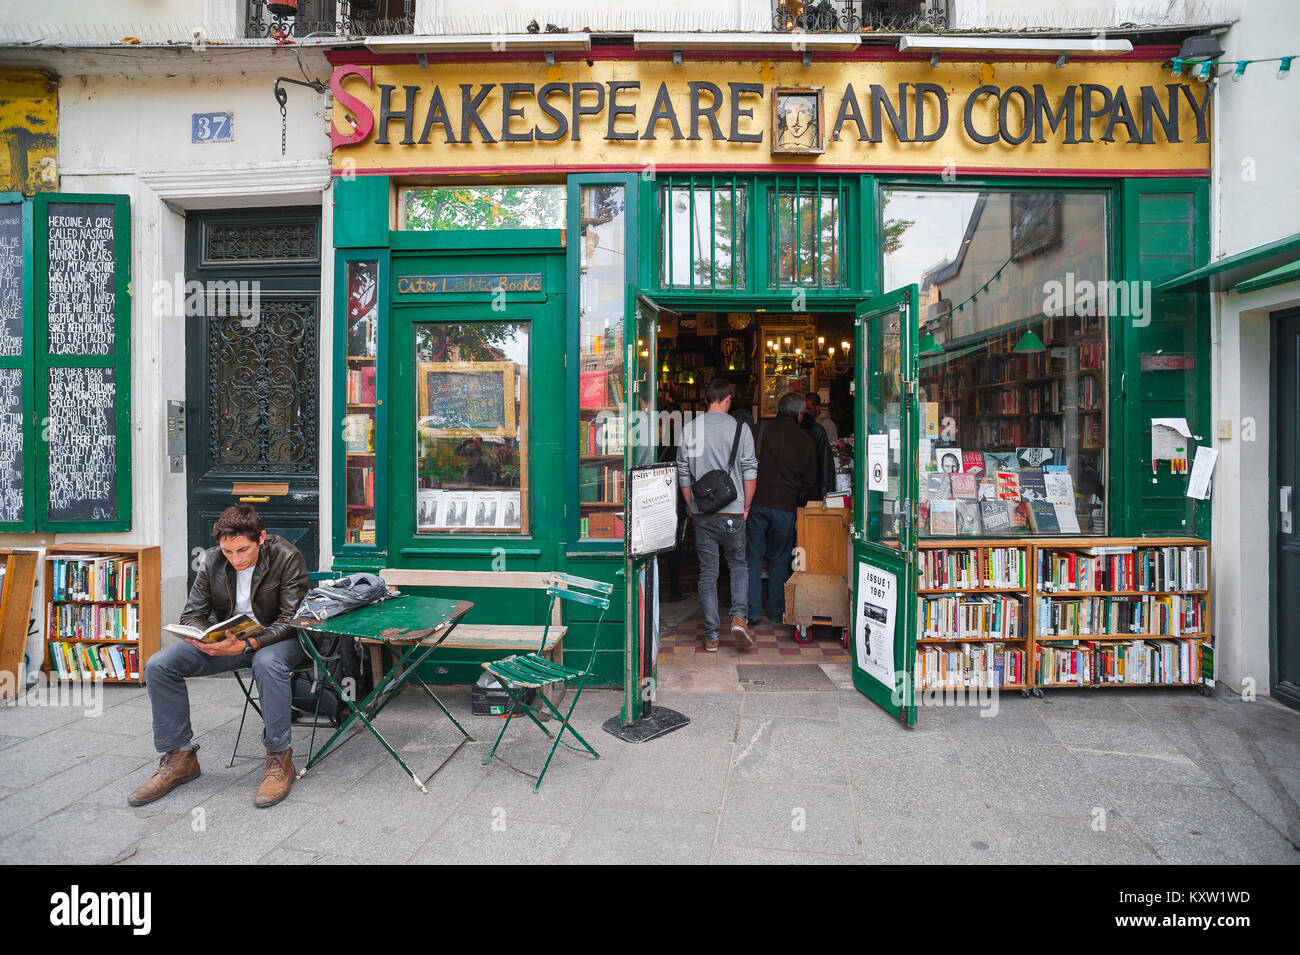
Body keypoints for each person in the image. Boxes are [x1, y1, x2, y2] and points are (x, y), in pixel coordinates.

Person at [128, 505, 309, 810]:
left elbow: (291, 620)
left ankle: (279, 759)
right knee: (159, 665)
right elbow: (193, 613)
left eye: (243, 550)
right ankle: (180, 757)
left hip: (280, 640)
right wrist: (205, 637)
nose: (236, 559)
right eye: (228, 551)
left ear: (261, 537)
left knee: (266, 662)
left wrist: (249, 642)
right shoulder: (212, 560)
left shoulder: (286, 555)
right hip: (228, 642)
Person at [676, 379, 758, 651]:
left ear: (707, 400)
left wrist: (692, 506)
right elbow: (749, 471)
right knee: (738, 565)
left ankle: (711, 636)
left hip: (703, 514)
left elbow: (683, 473)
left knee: (708, 573)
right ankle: (738, 617)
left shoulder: (690, 429)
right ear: (729, 399)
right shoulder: (740, 429)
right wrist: (745, 506)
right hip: (733, 512)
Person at [747, 391, 817, 626]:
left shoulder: (759, 430)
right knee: (779, 559)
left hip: (756, 503)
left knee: (753, 557)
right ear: (799, 414)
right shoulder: (805, 440)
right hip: (786, 507)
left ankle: (752, 611)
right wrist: (797, 495)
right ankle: (776, 612)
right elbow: (810, 480)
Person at [800, 397, 837, 499]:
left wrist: (825, 494)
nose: (806, 412)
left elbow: (826, 458)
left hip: (814, 485)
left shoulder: (826, 425)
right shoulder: (800, 427)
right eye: (804, 409)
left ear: (817, 407)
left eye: (809, 408)